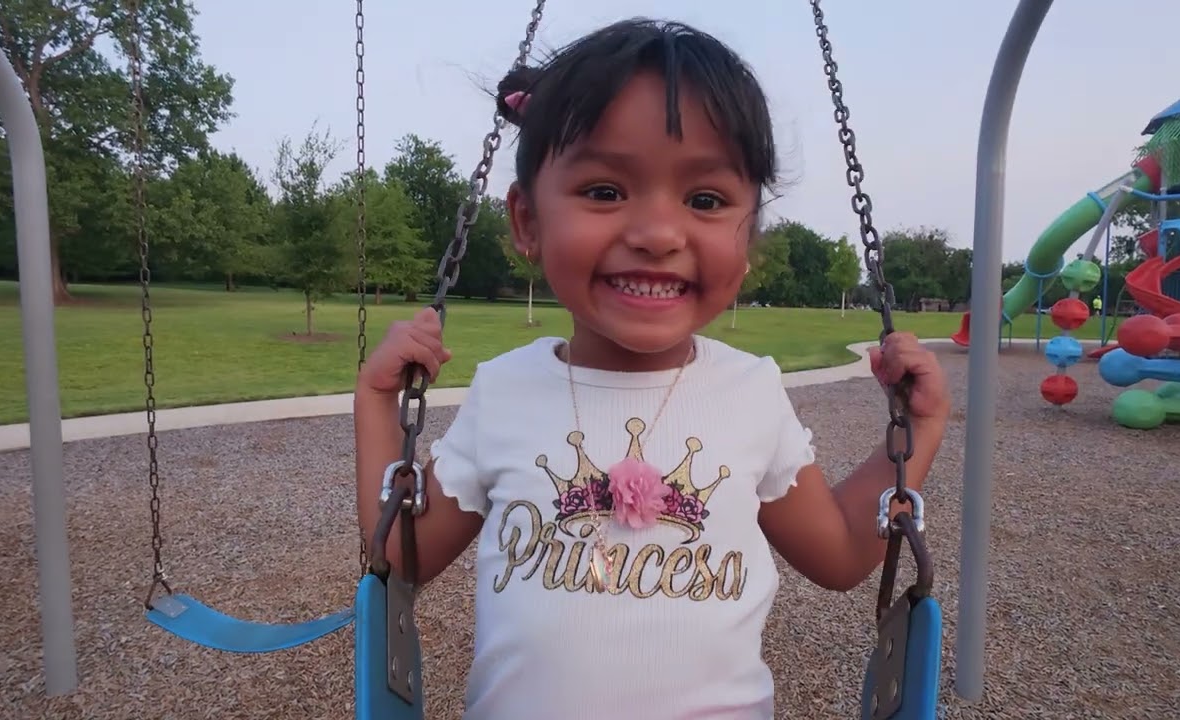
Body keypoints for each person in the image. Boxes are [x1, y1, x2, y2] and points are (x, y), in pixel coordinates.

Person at [355, 18, 950, 719]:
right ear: (526, 222)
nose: (658, 234)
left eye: (705, 201)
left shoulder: (750, 392)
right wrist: (375, 402)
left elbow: (843, 553)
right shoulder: (506, 390)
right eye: (605, 191)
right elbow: (401, 557)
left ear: (749, 234)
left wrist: (914, 433)